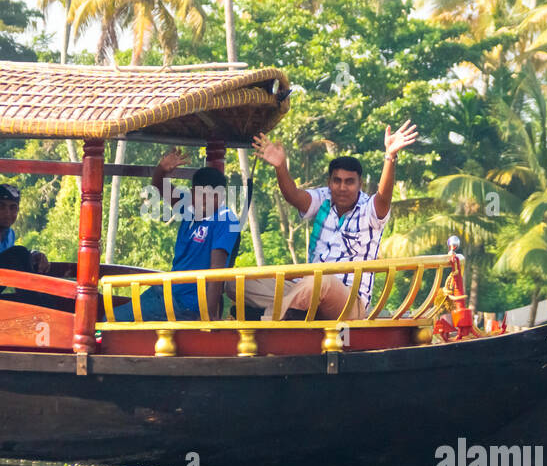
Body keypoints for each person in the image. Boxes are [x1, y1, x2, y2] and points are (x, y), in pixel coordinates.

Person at [247, 119, 418, 320]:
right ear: (330, 183)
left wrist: (390, 156)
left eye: (349, 182)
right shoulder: (324, 199)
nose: (342, 187)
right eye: (337, 181)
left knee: (321, 281)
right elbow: (293, 195)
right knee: (241, 283)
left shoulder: (368, 210)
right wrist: (280, 166)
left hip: (349, 302)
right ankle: (296, 309)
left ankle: (271, 319)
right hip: (308, 289)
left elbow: (383, 198)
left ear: (359, 184)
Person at [112, 150, 239, 322]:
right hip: (166, 291)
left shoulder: (225, 220)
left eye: (211, 196)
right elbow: (158, 186)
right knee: (111, 315)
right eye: (200, 194)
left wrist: (208, 317)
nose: (204, 201)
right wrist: (161, 169)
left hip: (186, 304)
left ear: (221, 196)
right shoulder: (189, 207)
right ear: (193, 193)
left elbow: (216, 273)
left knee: (112, 321)